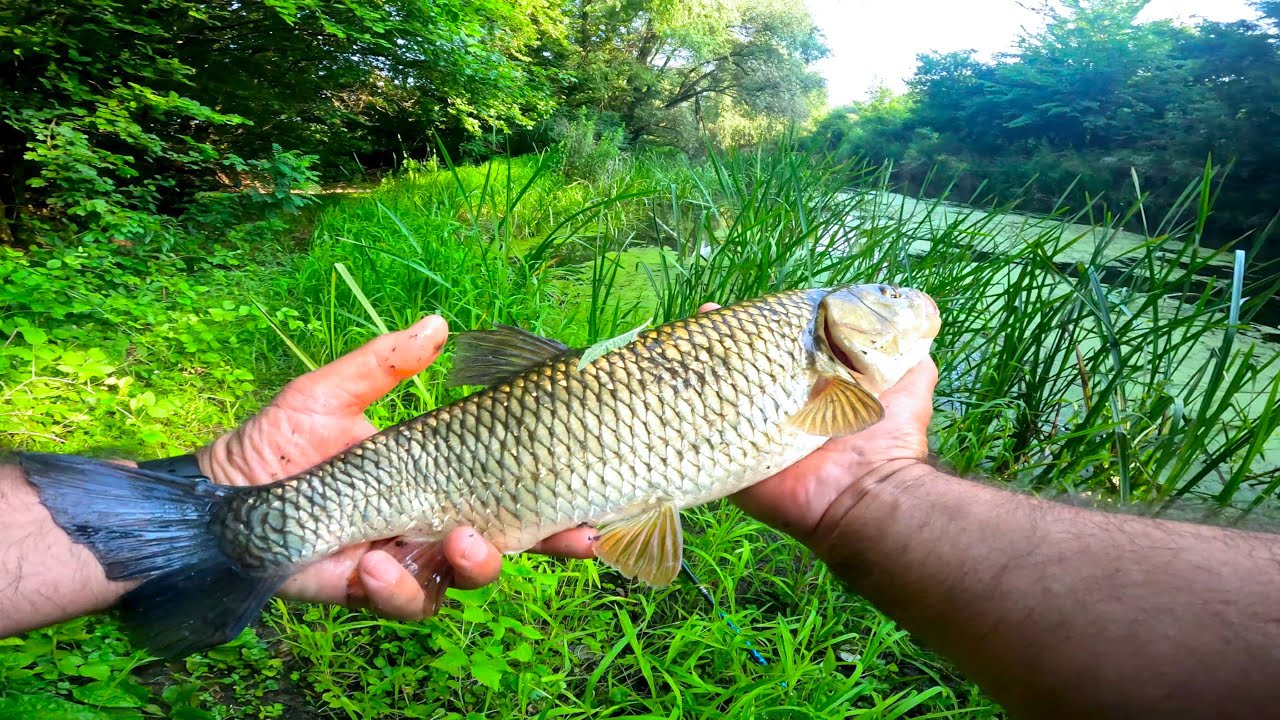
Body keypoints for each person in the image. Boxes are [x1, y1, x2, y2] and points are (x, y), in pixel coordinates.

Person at [2, 311, 1278, 719]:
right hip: (510, 461)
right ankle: (220, 531)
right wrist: (247, 488)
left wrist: (872, 484)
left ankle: (208, 535)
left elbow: (834, 443)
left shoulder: (825, 384)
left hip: (564, 470)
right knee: (269, 521)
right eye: (889, 298)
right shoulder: (828, 362)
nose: (908, 309)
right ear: (848, 330)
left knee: (587, 519)